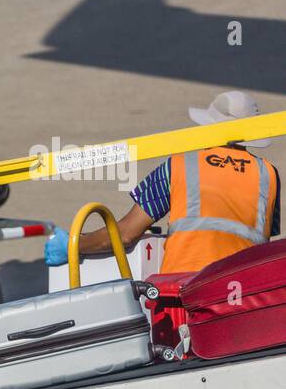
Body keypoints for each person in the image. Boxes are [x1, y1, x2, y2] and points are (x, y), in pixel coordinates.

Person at [46, 92, 280, 273]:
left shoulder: (180, 165)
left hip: (186, 291)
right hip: (245, 296)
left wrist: (74, 244)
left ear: (209, 126)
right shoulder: (269, 175)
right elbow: (261, 241)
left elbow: (126, 233)